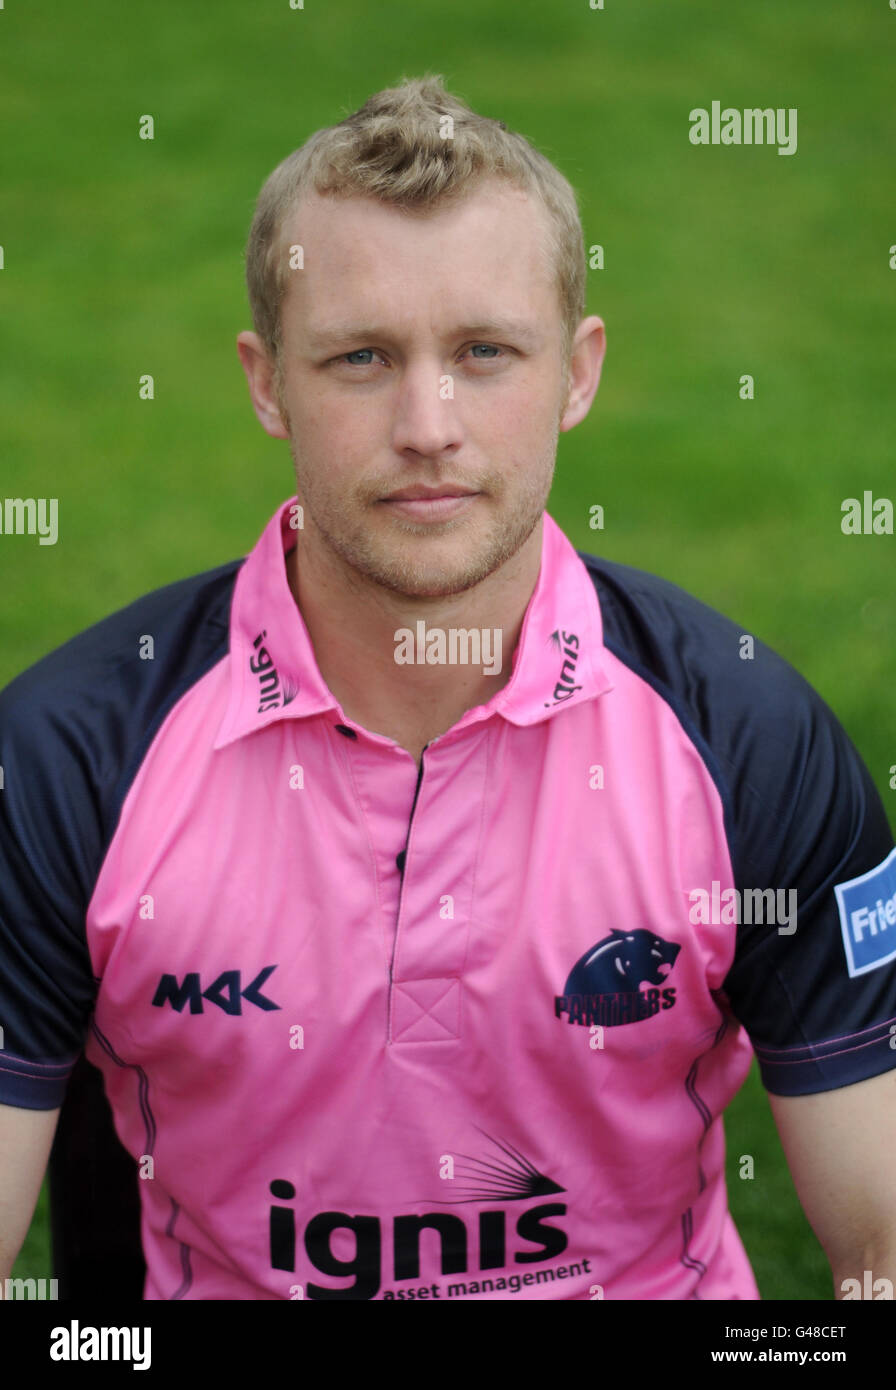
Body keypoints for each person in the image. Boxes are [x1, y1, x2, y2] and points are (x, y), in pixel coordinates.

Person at [1, 75, 894, 1302]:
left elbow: (879, 1256)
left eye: (484, 352)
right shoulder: (64, 759)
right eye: (361, 357)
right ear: (267, 383)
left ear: (576, 373)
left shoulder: (746, 740)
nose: (428, 424)